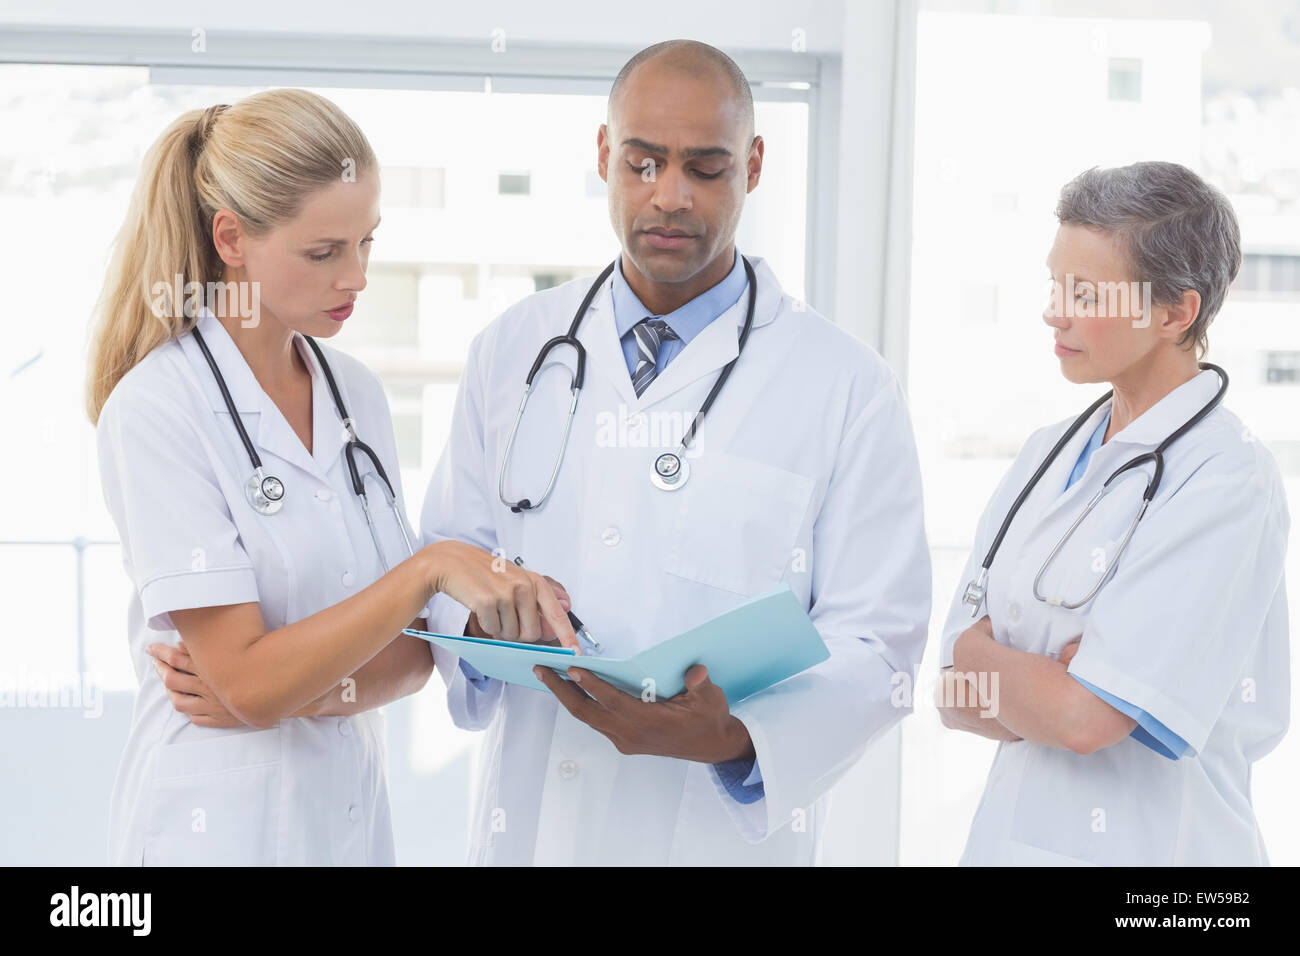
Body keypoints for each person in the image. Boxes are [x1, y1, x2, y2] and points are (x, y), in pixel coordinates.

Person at [418, 40, 932, 865]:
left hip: (711, 839)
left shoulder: (846, 385)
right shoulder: (512, 349)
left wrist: (735, 738)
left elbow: (880, 640)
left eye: (706, 167)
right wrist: (485, 614)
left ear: (755, 165)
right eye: (644, 162)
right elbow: (445, 558)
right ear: (603, 155)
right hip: (535, 816)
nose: (671, 197)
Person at [91, 88, 573, 866]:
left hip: (346, 821)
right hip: (214, 828)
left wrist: (292, 691)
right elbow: (250, 679)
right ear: (232, 238)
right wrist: (429, 571)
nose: (356, 277)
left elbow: (412, 657)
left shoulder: (357, 395)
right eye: (324, 253)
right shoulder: (156, 408)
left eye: (367, 244)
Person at [935, 161, 1290, 866]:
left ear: (1175, 312)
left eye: (1085, 293)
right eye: (1054, 285)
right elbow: (951, 689)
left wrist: (1001, 660)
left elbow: (1085, 719)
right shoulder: (1045, 452)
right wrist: (1045, 673)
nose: (1053, 311)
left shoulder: (1226, 478)